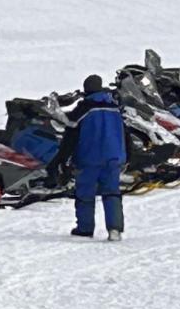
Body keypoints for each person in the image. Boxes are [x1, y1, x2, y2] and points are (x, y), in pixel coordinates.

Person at [48, 74, 127, 241]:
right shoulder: (115, 108)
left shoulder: (84, 108)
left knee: (85, 194)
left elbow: (71, 134)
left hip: (89, 158)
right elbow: (124, 134)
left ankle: (85, 228)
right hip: (113, 157)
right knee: (112, 193)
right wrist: (127, 156)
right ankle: (114, 229)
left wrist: (61, 159)